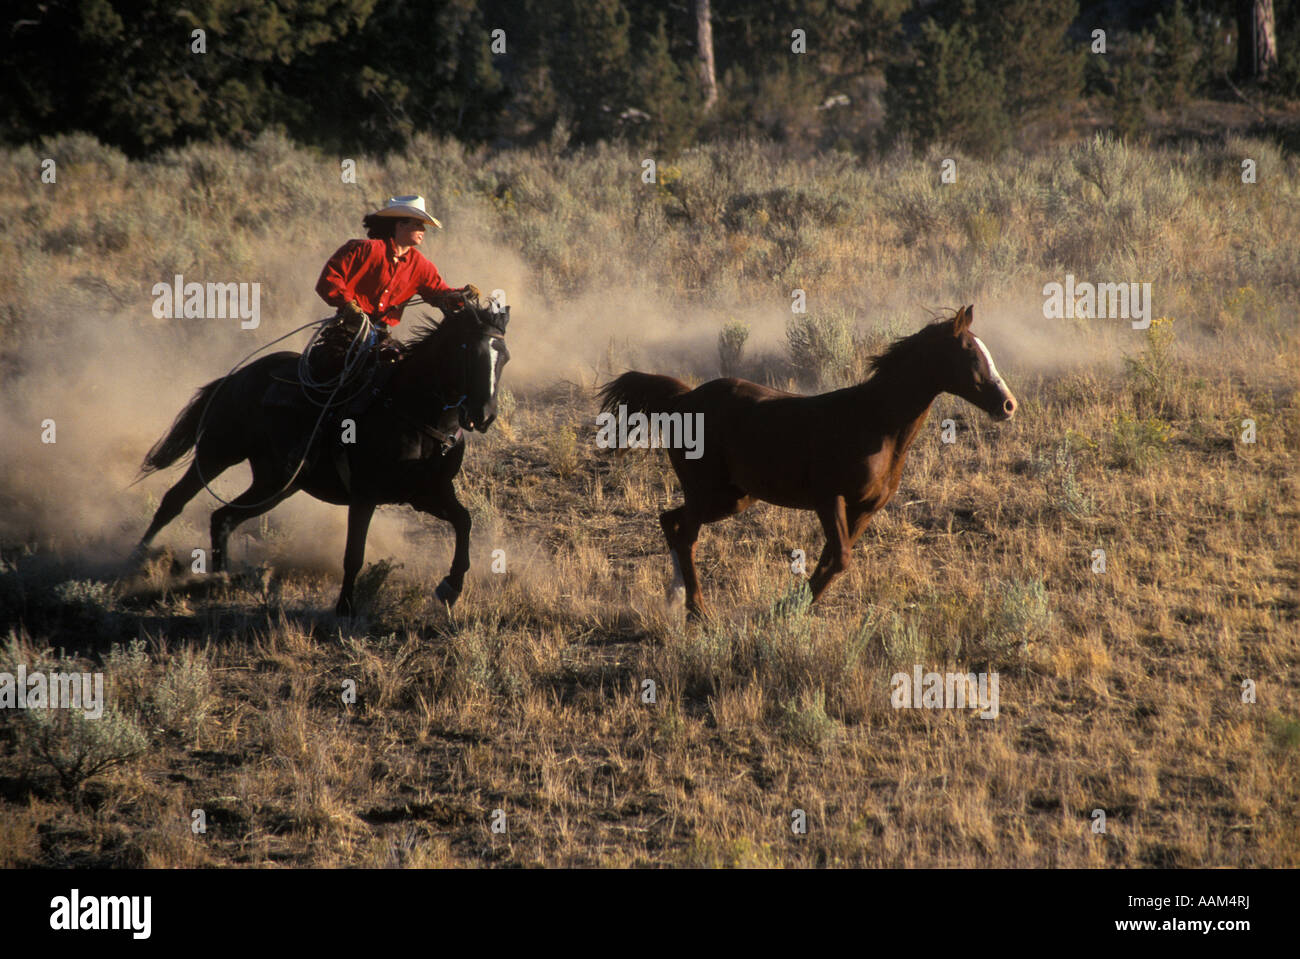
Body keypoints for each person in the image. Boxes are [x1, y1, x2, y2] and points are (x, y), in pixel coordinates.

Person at [312, 194, 479, 379]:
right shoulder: (364, 249)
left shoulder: (421, 266)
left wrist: (460, 296)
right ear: (400, 225)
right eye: (417, 224)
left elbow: (439, 293)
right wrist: (347, 305)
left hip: (380, 336)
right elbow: (330, 278)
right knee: (332, 371)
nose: (423, 229)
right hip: (347, 331)